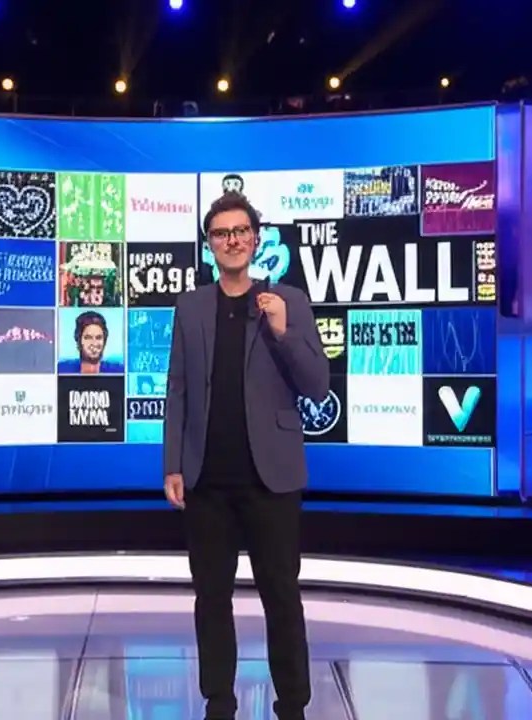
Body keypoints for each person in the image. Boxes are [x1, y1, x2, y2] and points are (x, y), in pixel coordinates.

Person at [163, 191, 329, 720]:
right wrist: (173, 463)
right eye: (221, 233)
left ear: (256, 239)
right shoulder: (190, 307)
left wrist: (281, 331)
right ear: (210, 244)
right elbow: (178, 389)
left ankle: (293, 704)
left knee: (281, 595)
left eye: (241, 231)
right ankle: (219, 700)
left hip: (272, 478)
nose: (232, 240)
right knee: (211, 598)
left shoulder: (289, 301)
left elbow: (318, 385)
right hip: (206, 477)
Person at [57, 310, 125, 374]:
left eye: (98, 338)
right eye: (88, 338)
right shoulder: (61, 369)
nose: (94, 343)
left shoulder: (120, 370)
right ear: (79, 340)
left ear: (104, 342)